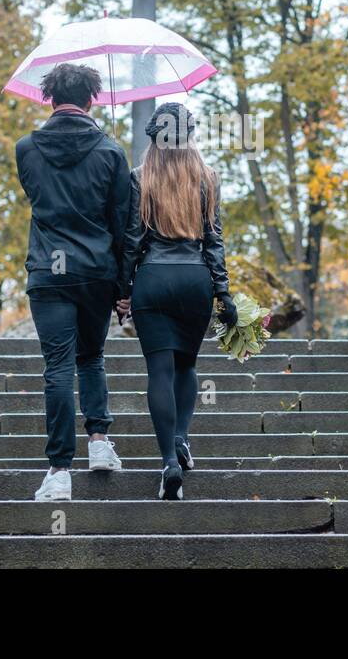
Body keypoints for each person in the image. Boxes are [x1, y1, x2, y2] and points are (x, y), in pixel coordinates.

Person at [15, 63, 130, 502]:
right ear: (92, 98)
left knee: (57, 368)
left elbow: (40, 197)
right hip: (96, 271)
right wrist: (124, 287)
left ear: (48, 96)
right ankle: (99, 445)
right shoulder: (111, 151)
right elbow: (122, 223)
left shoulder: (26, 148)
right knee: (92, 357)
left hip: (49, 270)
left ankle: (59, 471)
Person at [117, 102, 236, 499]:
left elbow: (132, 240)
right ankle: (182, 437)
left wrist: (123, 291)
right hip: (194, 280)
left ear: (153, 138)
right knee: (186, 365)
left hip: (153, 278)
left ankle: (168, 460)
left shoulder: (140, 177)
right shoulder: (208, 178)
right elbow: (214, 241)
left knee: (159, 373)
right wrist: (224, 293)